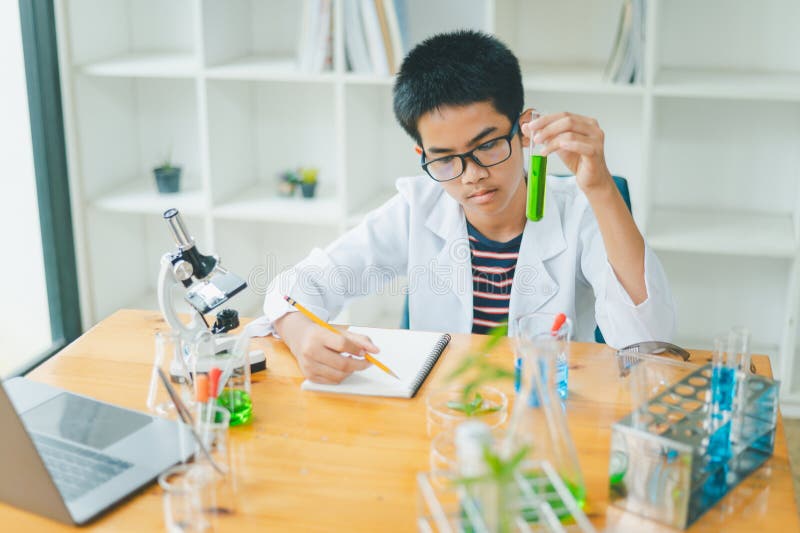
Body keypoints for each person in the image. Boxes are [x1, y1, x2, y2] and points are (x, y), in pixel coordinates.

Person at [254, 30, 675, 384]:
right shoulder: (417, 208)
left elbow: (650, 342)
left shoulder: (579, 213)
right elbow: (295, 286)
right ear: (423, 153)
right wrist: (299, 333)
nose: (471, 174)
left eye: (487, 144)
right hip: (445, 413)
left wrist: (601, 188)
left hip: (547, 410)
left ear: (525, 130)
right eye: (444, 158)